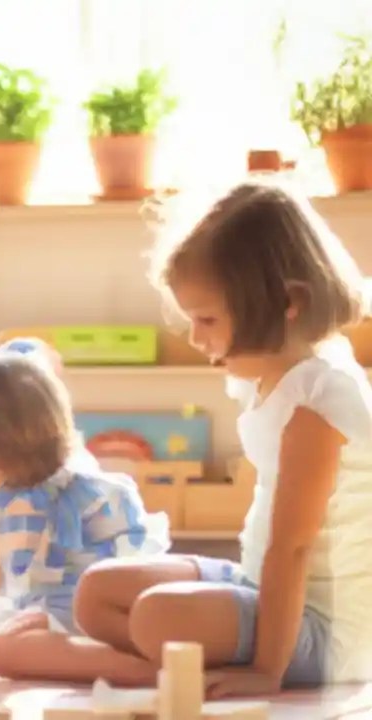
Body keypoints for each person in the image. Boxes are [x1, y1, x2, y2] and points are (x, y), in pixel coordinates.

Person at [72, 180, 372, 697]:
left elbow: (293, 549)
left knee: (154, 618)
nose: (195, 337)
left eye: (206, 319)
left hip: (328, 629)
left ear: (286, 303)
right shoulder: (269, 378)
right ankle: (175, 665)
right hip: (261, 585)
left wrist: (266, 673)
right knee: (95, 594)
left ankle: (175, 662)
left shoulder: (319, 399)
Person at [0, 343, 170, 683]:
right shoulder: (10, 507)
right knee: (6, 645)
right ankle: (124, 662)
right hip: (55, 624)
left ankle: (135, 669)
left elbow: (133, 569)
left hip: (109, 620)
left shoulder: (89, 492)